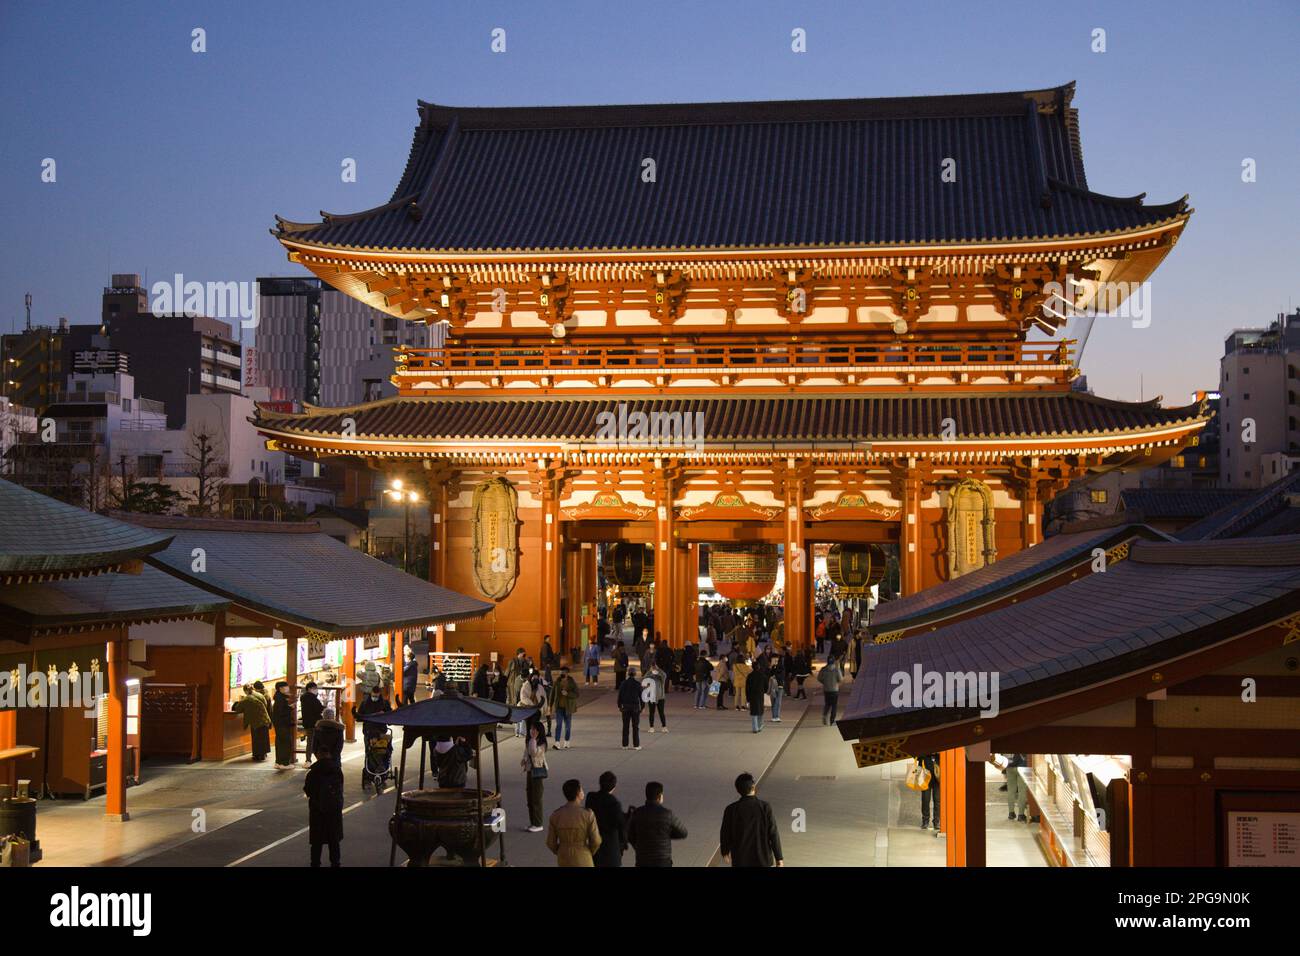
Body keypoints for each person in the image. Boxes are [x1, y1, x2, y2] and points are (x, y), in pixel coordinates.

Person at [719, 772, 784, 867]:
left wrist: (725, 851)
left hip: (741, 859)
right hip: (763, 858)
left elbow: (725, 832)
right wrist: (779, 857)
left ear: (737, 790)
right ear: (753, 787)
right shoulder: (765, 807)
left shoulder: (731, 809)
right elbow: (773, 833)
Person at [303, 741, 344, 867]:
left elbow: (308, 790)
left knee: (317, 841)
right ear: (329, 754)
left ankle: (315, 863)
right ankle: (335, 862)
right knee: (334, 839)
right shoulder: (337, 770)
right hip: (334, 809)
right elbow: (340, 788)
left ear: (317, 755)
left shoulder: (313, 772)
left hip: (317, 809)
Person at [627, 781, 688, 867]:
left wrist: (637, 847)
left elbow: (629, 834)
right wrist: (666, 834)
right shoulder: (667, 814)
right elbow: (683, 833)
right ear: (659, 796)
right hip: (663, 861)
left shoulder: (637, 813)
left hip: (643, 860)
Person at [546, 778, 602, 867]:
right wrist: (588, 851)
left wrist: (561, 850)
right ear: (578, 793)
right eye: (581, 789)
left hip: (563, 857)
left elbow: (550, 842)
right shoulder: (588, 814)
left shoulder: (556, 815)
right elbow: (596, 841)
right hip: (583, 856)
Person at [352, 686, 392, 791]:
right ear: (371, 694)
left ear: (380, 695)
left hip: (381, 732)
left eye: (376, 696)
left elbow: (390, 716)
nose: (375, 697)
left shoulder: (385, 703)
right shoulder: (365, 703)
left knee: (383, 752)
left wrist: (384, 715)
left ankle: (382, 776)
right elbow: (359, 717)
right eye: (373, 696)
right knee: (369, 753)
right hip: (369, 733)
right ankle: (369, 778)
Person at [585, 771, 628, 868]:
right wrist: (623, 843)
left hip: (593, 846)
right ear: (614, 786)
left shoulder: (591, 798)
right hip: (610, 850)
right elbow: (621, 825)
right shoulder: (614, 803)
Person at [232, 683, 271, 761]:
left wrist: (237, 704)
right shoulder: (260, 695)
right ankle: (263, 754)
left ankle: (258, 755)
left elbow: (238, 709)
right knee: (263, 737)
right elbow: (266, 704)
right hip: (265, 718)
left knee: (257, 738)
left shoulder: (246, 699)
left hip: (255, 721)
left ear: (245, 691)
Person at [522, 723, 549, 832]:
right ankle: (532, 822)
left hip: (537, 771)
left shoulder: (542, 744)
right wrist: (523, 760)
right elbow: (527, 753)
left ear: (539, 731)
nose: (532, 731)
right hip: (530, 771)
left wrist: (533, 739)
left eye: (534, 729)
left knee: (536, 798)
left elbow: (534, 753)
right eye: (531, 729)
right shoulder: (530, 741)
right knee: (530, 797)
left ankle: (538, 823)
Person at [271, 681, 296, 769]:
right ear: (280, 689)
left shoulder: (278, 697)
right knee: (285, 743)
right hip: (283, 724)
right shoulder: (281, 699)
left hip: (279, 724)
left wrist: (288, 707)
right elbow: (282, 712)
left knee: (280, 743)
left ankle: (278, 762)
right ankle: (284, 763)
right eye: (286, 687)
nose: (288, 688)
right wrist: (290, 708)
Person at [553, 665, 579, 749]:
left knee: (568, 726)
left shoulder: (571, 682)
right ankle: (557, 742)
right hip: (559, 707)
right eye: (561, 673)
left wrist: (568, 694)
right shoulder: (557, 681)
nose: (561, 674)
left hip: (568, 708)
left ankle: (567, 741)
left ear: (567, 673)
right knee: (559, 724)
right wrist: (550, 706)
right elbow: (552, 694)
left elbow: (577, 694)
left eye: (563, 673)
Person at [617, 666, 643, 750]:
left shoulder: (623, 683)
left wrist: (619, 706)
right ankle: (636, 745)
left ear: (628, 673)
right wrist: (642, 707)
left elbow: (620, 696)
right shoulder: (637, 684)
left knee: (625, 726)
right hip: (635, 707)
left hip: (625, 707)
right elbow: (641, 697)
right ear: (635, 674)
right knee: (635, 727)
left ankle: (625, 745)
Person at [300, 681, 324, 765]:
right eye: (315, 688)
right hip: (315, 723)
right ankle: (315, 760)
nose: (316, 690)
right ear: (309, 689)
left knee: (310, 742)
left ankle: (308, 760)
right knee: (316, 742)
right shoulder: (313, 698)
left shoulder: (303, 698)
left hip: (307, 723)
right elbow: (319, 709)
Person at [643, 660, 668, 733]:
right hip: (651, 697)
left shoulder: (661, 678)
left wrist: (658, 669)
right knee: (651, 712)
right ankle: (651, 727)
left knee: (661, 712)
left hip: (660, 697)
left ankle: (664, 726)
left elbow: (664, 675)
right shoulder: (649, 677)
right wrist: (650, 671)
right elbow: (644, 679)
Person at [817, 657, 843, 725]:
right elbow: (840, 679)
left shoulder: (823, 669)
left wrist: (824, 682)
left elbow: (819, 678)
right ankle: (832, 720)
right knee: (834, 705)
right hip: (834, 690)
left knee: (827, 704)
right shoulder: (836, 669)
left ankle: (825, 715)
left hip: (826, 689)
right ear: (834, 661)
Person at [919, 753, 941, 831]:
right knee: (925, 800)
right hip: (925, 777)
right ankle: (925, 821)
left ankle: (936, 821)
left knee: (938, 801)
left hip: (938, 779)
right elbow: (918, 756)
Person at [1006, 753, 1029, 822]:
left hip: (1009, 766)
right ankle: (1021, 815)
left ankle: (1011, 813)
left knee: (1010, 790)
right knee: (1022, 791)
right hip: (1022, 766)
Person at [746, 663, 768, 733]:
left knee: (754, 712)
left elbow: (747, 688)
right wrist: (764, 691)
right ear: (759, 667)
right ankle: (760, 726)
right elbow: (766, 686)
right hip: (760, 695)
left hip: (752, 695)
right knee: (760, 711)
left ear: (752, 667)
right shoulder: (762, 675)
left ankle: (755, 728)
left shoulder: (750, 676)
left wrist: (748, 698)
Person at [768, 653, 786, 723]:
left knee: (778, 701)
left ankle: (777, 716)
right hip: (772, 686)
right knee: (773, 701)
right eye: (774, 658)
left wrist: (774, 675)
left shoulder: (781, 666)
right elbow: (768, 674)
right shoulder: (771, 666)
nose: (775, 660)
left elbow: (782, 675)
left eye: (776, 658)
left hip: (779, 685)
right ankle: (774, 716)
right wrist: (771, 667)